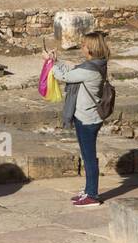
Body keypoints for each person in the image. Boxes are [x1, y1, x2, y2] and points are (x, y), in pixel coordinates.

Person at [46, 30, 110, 207]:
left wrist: (51, 63)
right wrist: (56, 61)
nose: (81, 47)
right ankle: (89, 190)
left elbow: (64, 76)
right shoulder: (96, 65)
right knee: (86, 155)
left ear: (90, 48)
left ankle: (92, 195)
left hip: (87, 118)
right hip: (87, 116)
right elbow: (74, 70)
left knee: (89, 157)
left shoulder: (91, 69)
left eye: (83, 45)